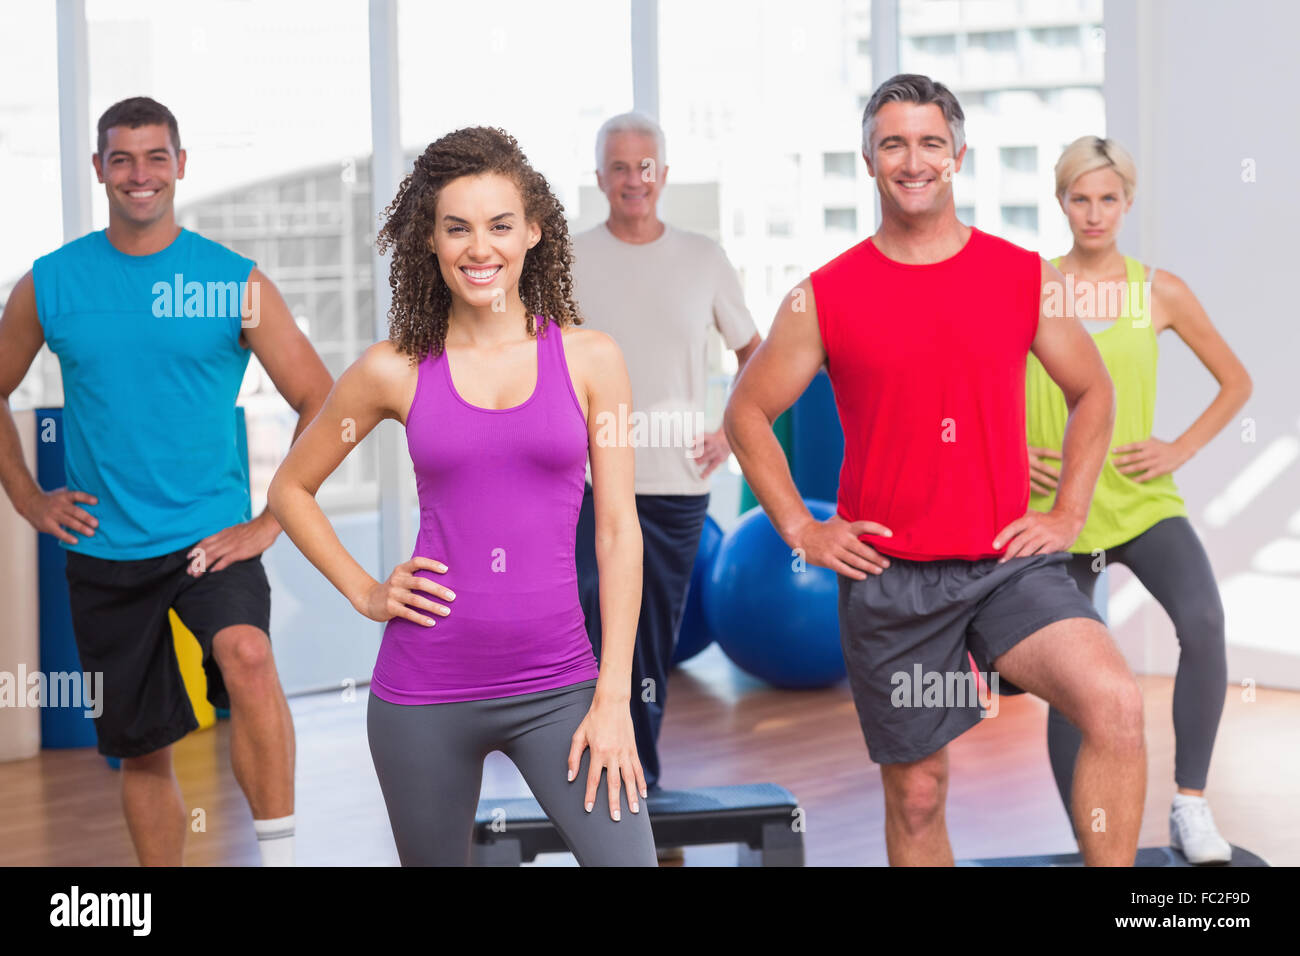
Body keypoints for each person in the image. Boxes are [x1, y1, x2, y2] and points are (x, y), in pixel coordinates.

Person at [724, 74, 1147, 866]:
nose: (912, 160)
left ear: (956, 154)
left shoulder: (1023, 277)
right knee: (918, 796)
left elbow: (1092, 391)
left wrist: (1066, 515)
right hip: (892, 580)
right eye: (893, 144)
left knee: (1115, 703)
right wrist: (800, 527)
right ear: (868, 158)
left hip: (1006, 567)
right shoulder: (824, 295)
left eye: (928, 142)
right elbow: (746, 413)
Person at [266, 126, 658, 866]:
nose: (481, 249)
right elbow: (291, 488)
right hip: (426, 690)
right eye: (458, 228)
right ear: (430, 241)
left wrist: (613, 698)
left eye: (500, 226)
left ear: (534, 232)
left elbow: (617, 534)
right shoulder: (394, 370)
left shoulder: (591, 359)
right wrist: (367, 592)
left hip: (561, 687)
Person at [0, 97, 329, 865]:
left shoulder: (231, 281)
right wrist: (24, 494)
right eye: (122, 159)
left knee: (247, 656)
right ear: (99, 170)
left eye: (155, 158)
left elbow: (324, 400)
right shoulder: (52, 283)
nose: (139, 175)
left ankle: (280, 857)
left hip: (211, 536)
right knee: (142, 747)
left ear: (179, 166)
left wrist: (273, 517)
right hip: (106, 549)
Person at [1027, 136, 1252, 864]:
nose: (1094, 213)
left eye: (1108, 198)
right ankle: (1089, 835)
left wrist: (1178, 449)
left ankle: (1191, 806)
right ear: (1061, 203)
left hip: (1142, 499)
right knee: (1076, 673)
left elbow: (1236, 381)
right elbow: (975, 377)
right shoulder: (1029, 285)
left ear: (1128, 203)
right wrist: (1005, 454)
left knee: (1205, 621)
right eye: (1079, 198)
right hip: (1060, 509)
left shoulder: (1158, 289)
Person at [570, 112, 761, 812]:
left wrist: (732, 433)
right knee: (590, 622)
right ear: (600, 178)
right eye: (619, 167)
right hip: (587, 481)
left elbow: (757, 355)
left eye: (644, 166)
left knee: (647, 647)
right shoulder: (568, 255)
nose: (633, 179)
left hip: (674, 485)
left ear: (664, 175)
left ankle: (634, 783)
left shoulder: (703, 258)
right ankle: (588, 773)